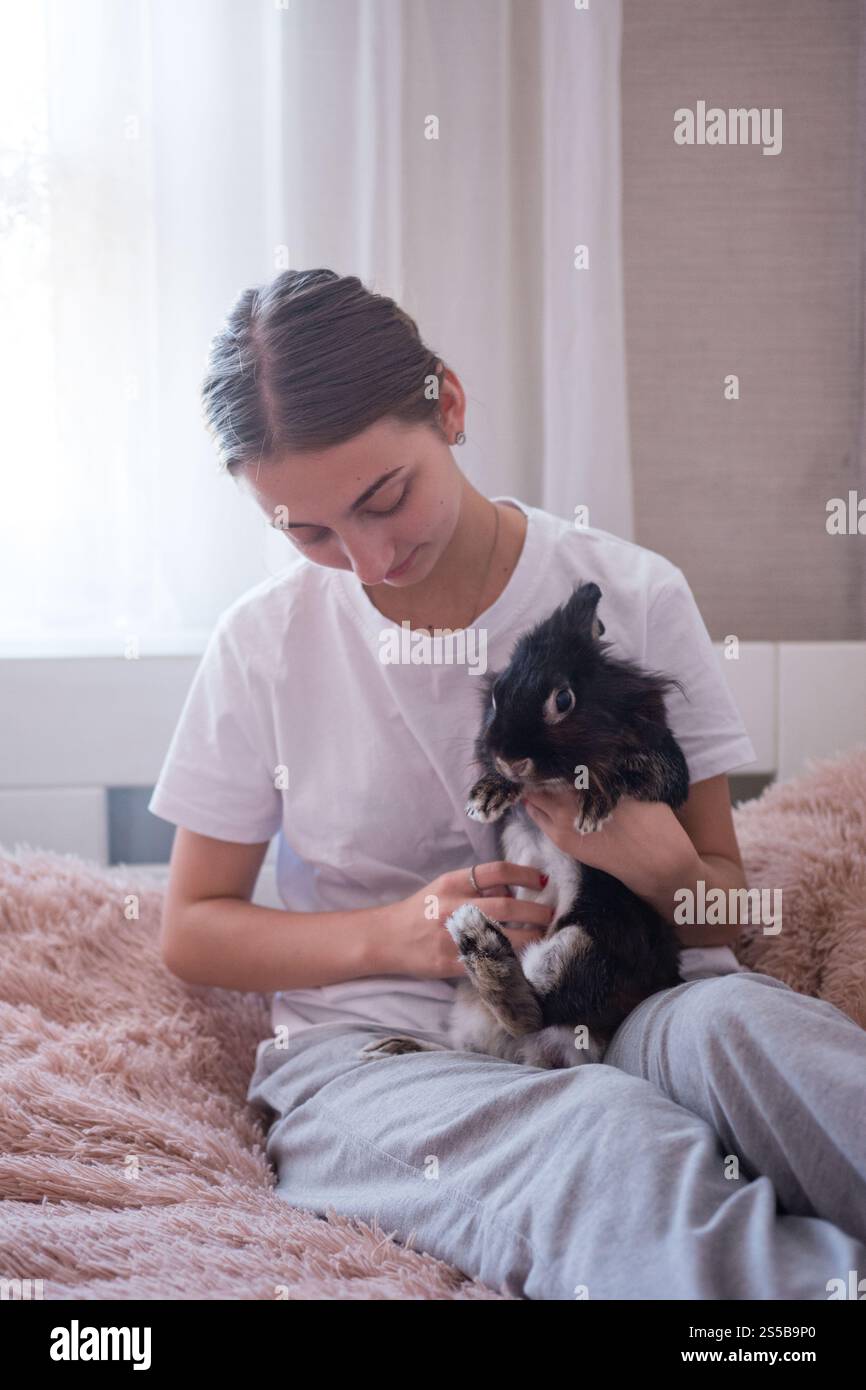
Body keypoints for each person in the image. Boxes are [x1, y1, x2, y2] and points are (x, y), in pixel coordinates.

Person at [149, 268, 866, 1300]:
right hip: (381, 1057)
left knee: (762, 1039)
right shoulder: (263, 646)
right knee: (604, 1141)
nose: (368, 558)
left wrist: (657, 865)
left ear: (448, 402)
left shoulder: (631, 594)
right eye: (308, 533)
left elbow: (732, 916)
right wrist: (393, 932)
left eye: (383, 497)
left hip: (633, 1000)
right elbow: (191, 926)